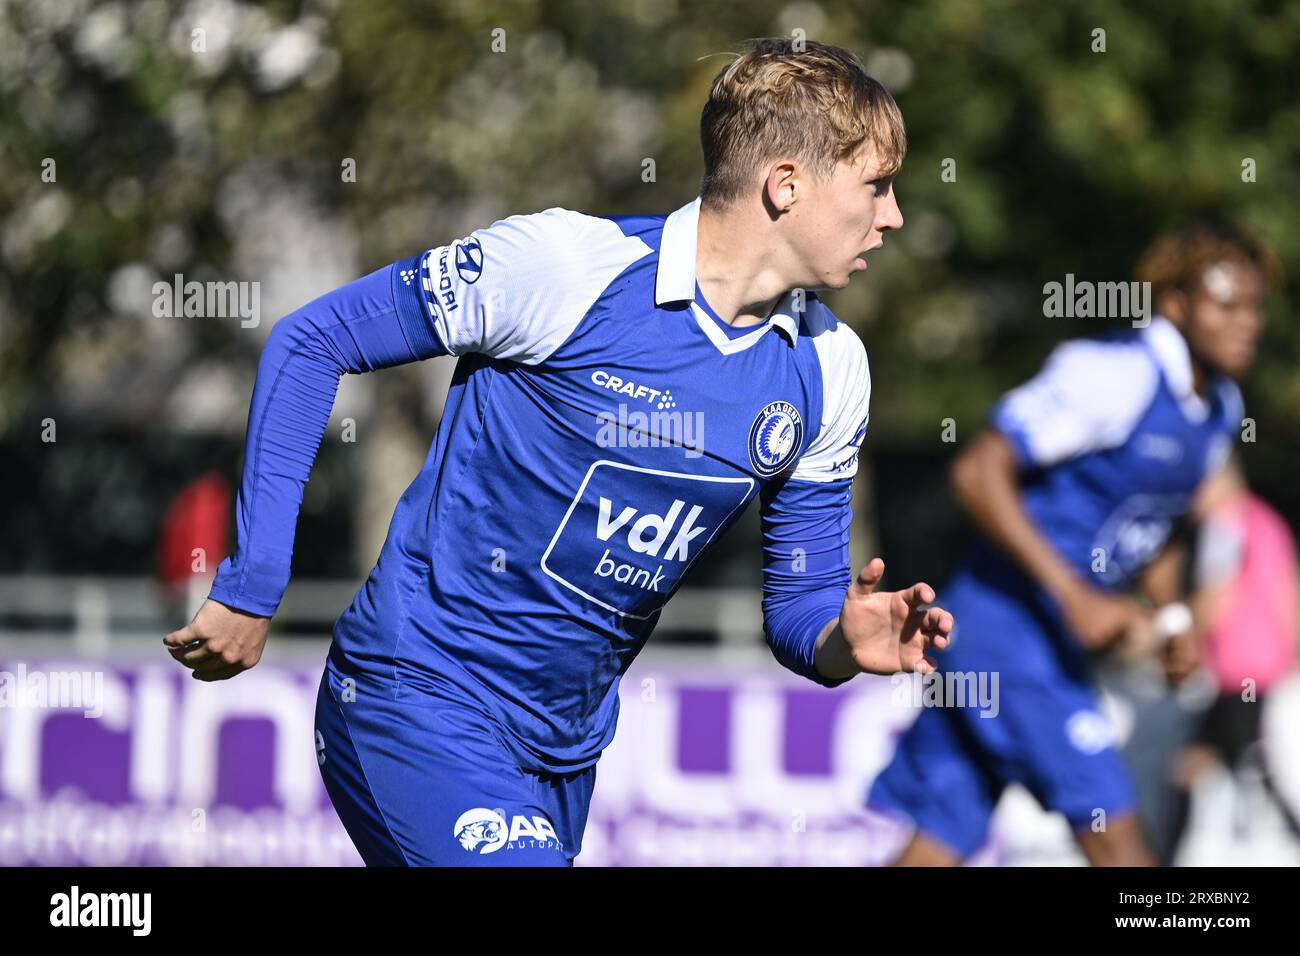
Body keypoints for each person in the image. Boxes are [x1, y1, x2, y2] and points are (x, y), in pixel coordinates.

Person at [163, 38, 954, 866]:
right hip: (414, 697)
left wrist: (844, 640)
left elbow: (800, 610)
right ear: (786, 184)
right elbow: (312, 341)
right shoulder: (565, 268)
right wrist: (253, 585)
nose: (894, 214)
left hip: (563, 755)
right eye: (876, 184)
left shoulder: (830, 369)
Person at [867, 221, 1277, 866]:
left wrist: (1171, 617)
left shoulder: (1219, 409)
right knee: (1117, 842)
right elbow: (978, 472)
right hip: (1003, 634)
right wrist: (1075, 595)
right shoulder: (1113, 373)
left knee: (937, 845)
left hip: (1037, 644)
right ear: (1173, 303)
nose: (1247, 322)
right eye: (1227, 303)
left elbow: (1160, 525)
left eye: (1255, 306)